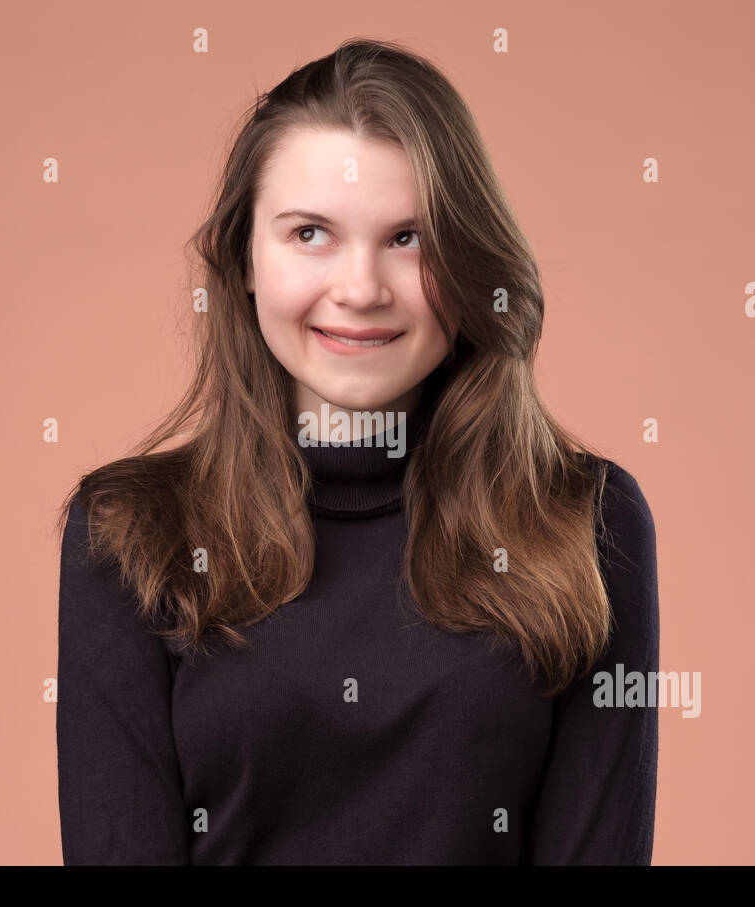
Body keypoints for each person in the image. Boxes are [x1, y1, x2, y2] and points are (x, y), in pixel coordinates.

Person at [55, 37, 659, 865]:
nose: (362, 288)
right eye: (311, 234)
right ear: (244, 262)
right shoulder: (129, 532)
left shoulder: (583, 519)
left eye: (408, 238)